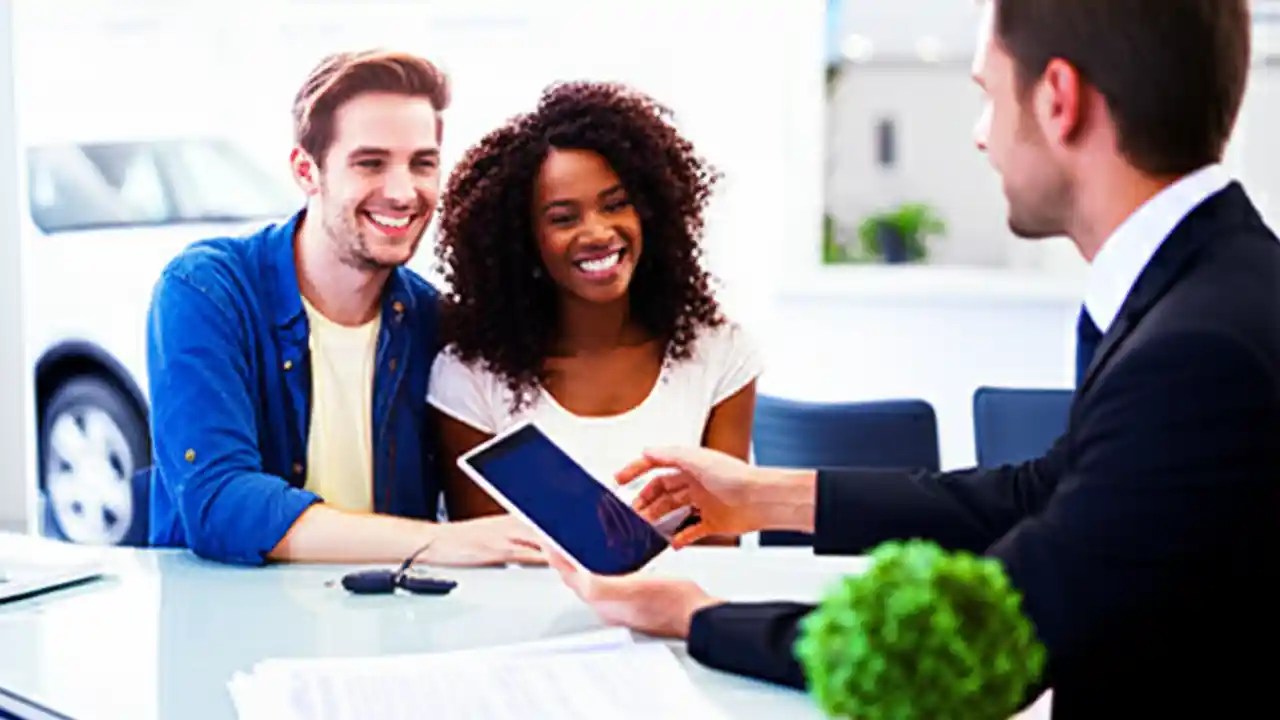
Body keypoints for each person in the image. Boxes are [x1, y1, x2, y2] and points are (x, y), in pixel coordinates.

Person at [551, 1, 1280, 716]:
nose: (981, 137)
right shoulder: (1214, 290)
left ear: (1059, 99)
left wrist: (694, 616)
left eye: (988, 95)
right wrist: (764, 496)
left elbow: (984, 639)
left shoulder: (1198, 352)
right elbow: (1042, 496)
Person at [146, 49, 542, 567]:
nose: (403, 192)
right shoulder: (207, 291)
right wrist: (441, 542)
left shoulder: (431, 321)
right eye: (370, 163)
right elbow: (219, 504)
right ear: (306, 171)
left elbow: (524, 473)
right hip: (233, 631)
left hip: (389, 625)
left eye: (422, 163)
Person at [427, 81, 761, 537]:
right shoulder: (468, 375)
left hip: (685, 604)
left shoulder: (720, 352)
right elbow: (485, 555)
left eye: (616, 205)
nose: (599, 232)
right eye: (564, 218)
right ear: (524, 241)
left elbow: (722, 539)